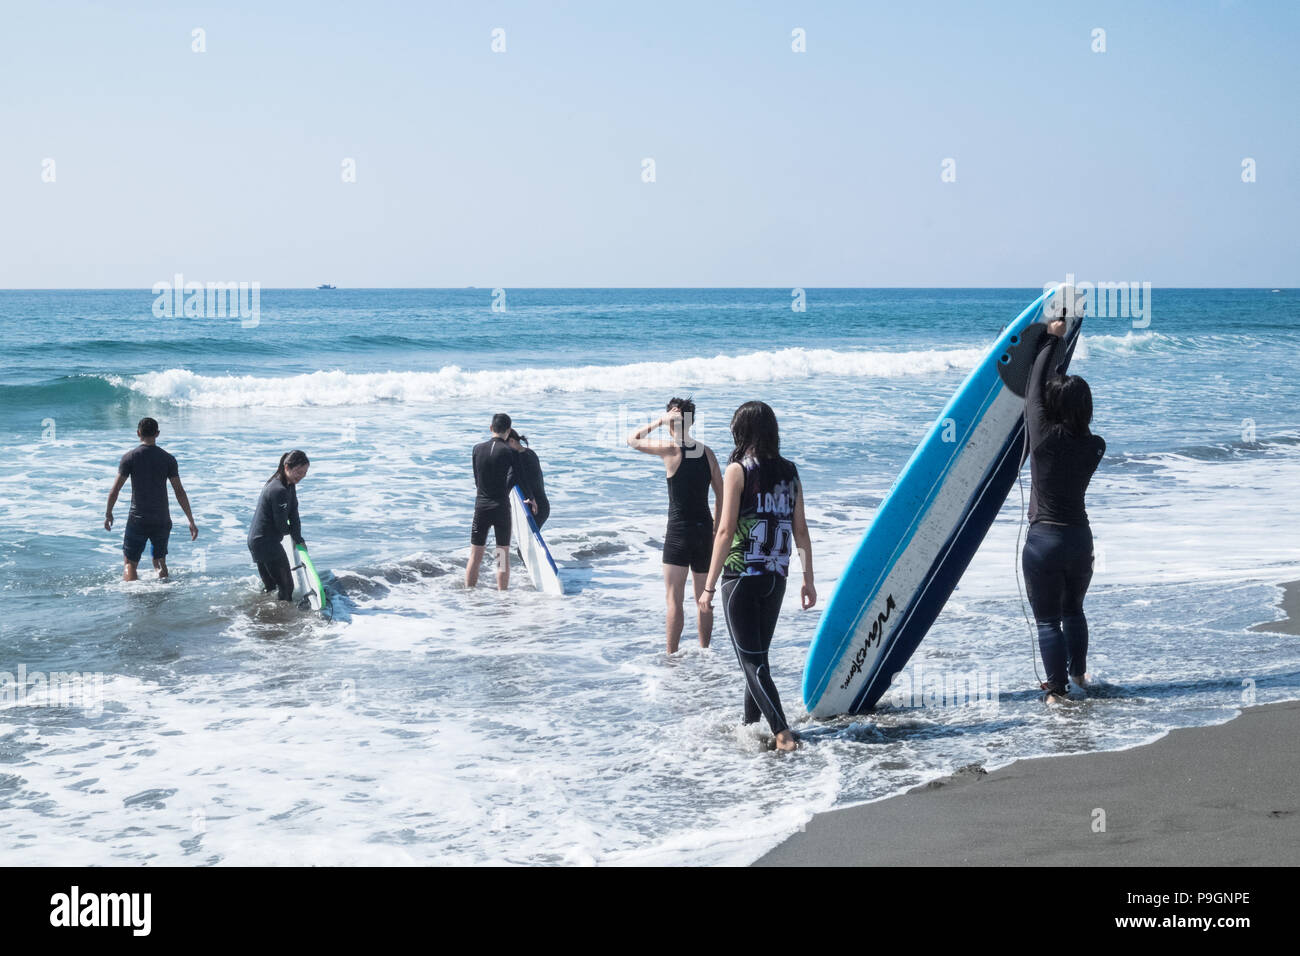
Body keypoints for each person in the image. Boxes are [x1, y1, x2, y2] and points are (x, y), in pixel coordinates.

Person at [699, 401, 815, 751]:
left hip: (741, 577)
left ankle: (782, 734)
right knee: (759, 656)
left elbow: (724, 531)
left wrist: (707, 587)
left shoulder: (738, 470)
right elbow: (802, 531)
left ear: (742, 432)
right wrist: (807, 579)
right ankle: (750, 727)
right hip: (775, 577)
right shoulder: (790, 472)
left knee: (751, 662)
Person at [1022, 317, 1106, 703]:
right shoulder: (1095, 446)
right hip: (1079, 540)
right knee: (1073, 610)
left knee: (1046, 620)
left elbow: (1034, 393)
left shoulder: (1043, 437)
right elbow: (1046, 400)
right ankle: (1079, 675)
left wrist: (1050, 341)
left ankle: (1056, 693)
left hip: (1045, 541)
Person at [627, 398, 724, 653]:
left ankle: (672, 656)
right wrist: (716, 529)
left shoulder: (670, 450)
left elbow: (633, 439)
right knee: (704, 599)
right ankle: (705, 652)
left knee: (674, 601)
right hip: (705, 532)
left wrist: (659, 421)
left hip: (679, 533)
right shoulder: (707, 452)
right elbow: (722, 496)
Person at [104, 417, 199, 581]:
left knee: (130, 564)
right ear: (157, 434)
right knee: (159, 561)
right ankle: (162, 593)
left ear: (138, 433)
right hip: (161, 519)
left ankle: (132, 594)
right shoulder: (168, 459)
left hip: (137, 519)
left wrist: (108, 514)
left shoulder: (130, 458)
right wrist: (191, 520)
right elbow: (180, 491)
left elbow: (114, 491)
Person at [466, 413, 536, 590]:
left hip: (481, 507)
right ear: (509, 430)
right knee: (502, 556)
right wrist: (531, 498)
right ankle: (502, 600)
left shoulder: (477, 449)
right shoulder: (509, 451)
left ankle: (468, 597)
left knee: (475, 556)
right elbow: (520, 477)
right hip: (501, 508)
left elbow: (477, 480)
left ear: (491, 428)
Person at [248, 450, 310, 601]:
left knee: (271, 587)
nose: (301, 476)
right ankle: (284, 620)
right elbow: (281, 526)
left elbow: (294, 512)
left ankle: (266, 617)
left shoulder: (287, 484)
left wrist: (298, 537)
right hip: (265, 543)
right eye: (298, 472)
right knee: (286, 588)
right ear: (287, 467)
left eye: (304, 473)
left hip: (257, 541)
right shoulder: (278, 490)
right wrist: (295, 536)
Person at [507, 429, 549, 530]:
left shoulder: (520, 459)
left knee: (527, 543)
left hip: (535, 507)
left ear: (512, 441)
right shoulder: (529, 452)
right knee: (526, 543)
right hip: (541, 505)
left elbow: (512, 479)